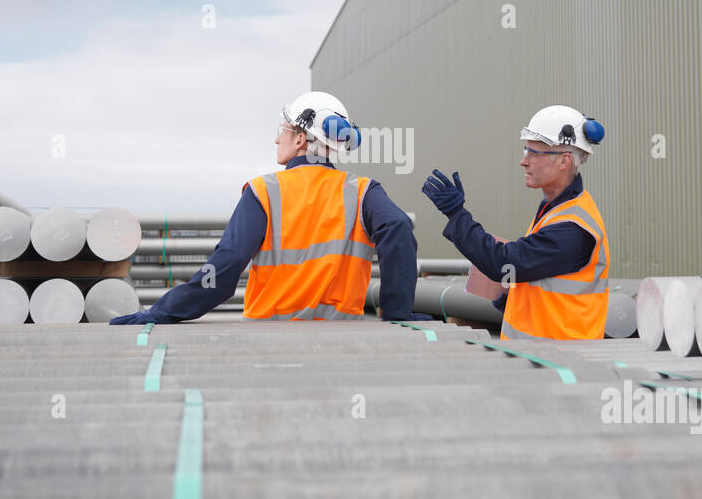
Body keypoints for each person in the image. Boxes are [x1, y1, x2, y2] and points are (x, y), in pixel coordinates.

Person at [111, 91, 426, 324]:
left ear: (301, 139)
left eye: (284, 131)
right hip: (343, 342)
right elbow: (398, 227)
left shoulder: (263, 191)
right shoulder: (363, 192)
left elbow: (222, 270)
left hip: (269, 342)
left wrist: (159, 312)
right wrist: (397, 311)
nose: (278, 140)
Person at [421, 105, 609, 341]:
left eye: (534, 153)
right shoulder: (556, 209)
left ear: (564, 161)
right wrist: (513, 298)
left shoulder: (573, 228)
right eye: (525, 150)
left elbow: (504, 262)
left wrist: (457, 215)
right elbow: (540, 274)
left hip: (561, 362)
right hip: (542, 357)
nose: (524, 161)